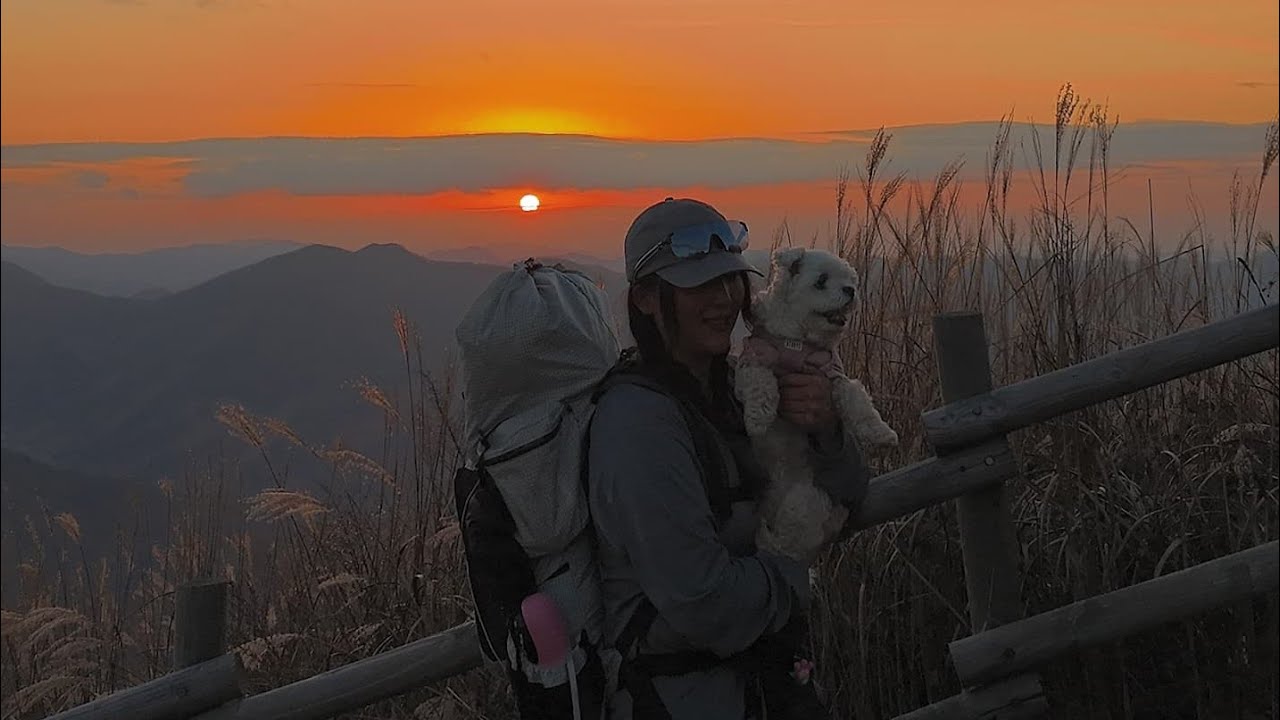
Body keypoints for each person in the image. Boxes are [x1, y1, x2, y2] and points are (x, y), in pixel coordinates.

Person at [587, 197, 871, 720]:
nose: (723, 299)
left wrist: (828, 432)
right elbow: (702, 601)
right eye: (698, 285)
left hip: (763, 689)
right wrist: (792, 574)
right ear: (647, 299)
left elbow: (850, 493)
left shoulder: (741, 389)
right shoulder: (638, 427)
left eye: (730, 280)